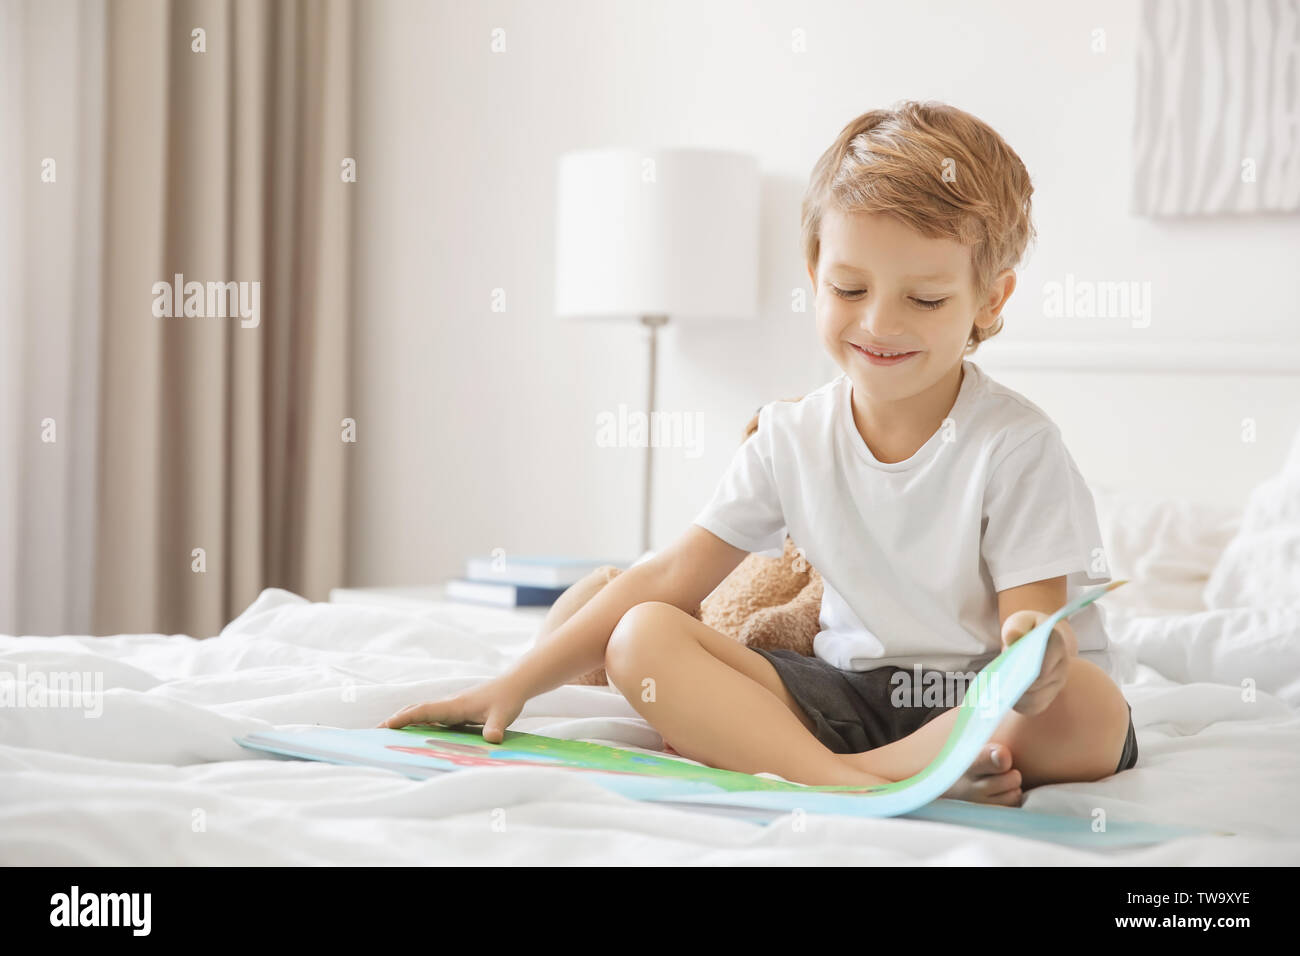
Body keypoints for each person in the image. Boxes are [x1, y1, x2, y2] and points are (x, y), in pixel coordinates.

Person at [380, 101, 1138, 805]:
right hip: (842, 697)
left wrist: (1033, 662)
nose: (879, 323)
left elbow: (1034, 636)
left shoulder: (1015, 445)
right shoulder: (790, 436)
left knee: (1088, 708)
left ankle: (874, 769)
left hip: (974, 701)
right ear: (814, 273)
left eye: (926, 299)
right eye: (848, 287)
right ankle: (854, 781)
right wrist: (508, 686)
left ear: (991, 300)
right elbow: (669, 578)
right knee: (642, 635)